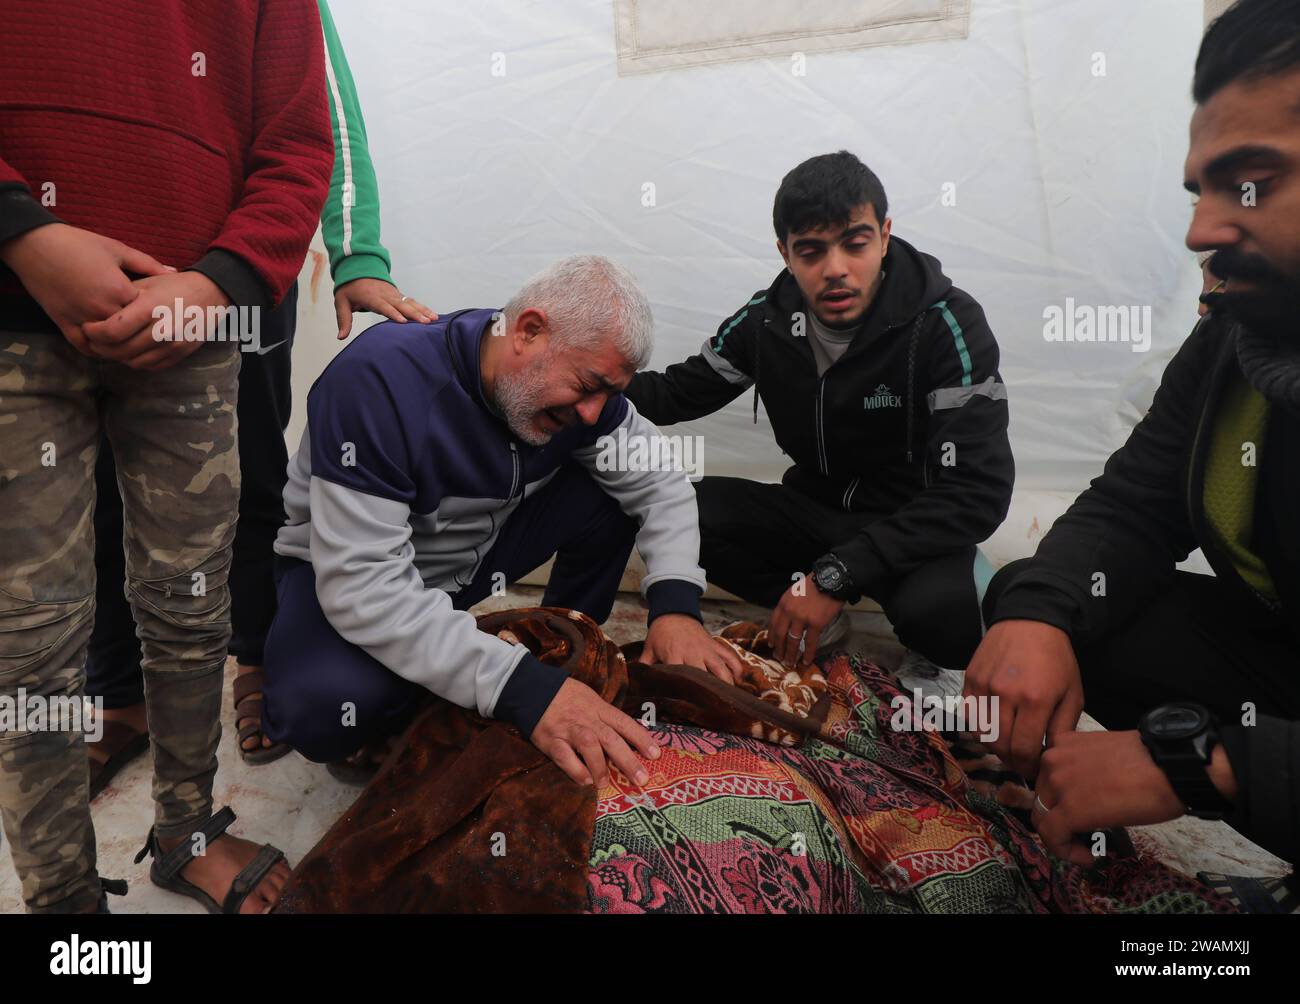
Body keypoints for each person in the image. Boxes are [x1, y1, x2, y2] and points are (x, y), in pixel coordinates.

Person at [965, 0, 1300, 911]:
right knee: (1076, 603)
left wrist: (1217, 763)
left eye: (1250, 181)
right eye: (1198, 188)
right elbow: (1135, 499)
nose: (1200, 230)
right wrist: (1034, 612)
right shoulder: (1242, 332)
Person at [0, 0, 333, 913]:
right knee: (29, 639)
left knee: (192, 602)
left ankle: (187, 831)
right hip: (9, 314)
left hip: (192, 322)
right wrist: (23, 230)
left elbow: (300, 143)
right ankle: (64, 899)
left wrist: (215, 281)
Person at [82, 0, 436, 786]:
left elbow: (323, 110)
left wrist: (357, 253)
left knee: (247, 464)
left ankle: (257, 652)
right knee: (96, 475)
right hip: (92, 260)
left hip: (235, 261)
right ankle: (117, 691)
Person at [261, 255, 745, 787]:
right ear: (529, 331)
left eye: (610, 394)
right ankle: (458, 689)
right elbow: (363, 586)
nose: (593, 412)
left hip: (467, 565)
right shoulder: (380, 381)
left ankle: (568, 650)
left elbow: (660, 482)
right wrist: (519, 690)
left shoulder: (588, 396)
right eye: (586, 385)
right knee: (323, 709)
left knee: (612, 490)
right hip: (343, 577)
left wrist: (676, 607)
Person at [625, 151, 1013, 670]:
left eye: (855, 244)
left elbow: (978, 490)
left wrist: (837, 574)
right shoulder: (766, 320)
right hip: (814, 510)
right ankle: (816, 619)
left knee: (947, 615)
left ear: (885, 234)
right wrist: (587, 386)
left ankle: (933, 653)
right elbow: (675, 393)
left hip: (909, 522)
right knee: (684, 514)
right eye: (810, 251)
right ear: (785, 253)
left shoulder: (948, 324)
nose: (835, 271)